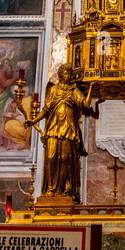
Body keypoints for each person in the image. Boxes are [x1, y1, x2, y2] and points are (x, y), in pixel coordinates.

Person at [31, 64, 96, 201]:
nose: (68, 75)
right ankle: (51, 190)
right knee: (51, 158)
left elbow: (85, 104)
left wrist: (90, 88)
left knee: (66, 159)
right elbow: (46, 110)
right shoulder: (54, 90)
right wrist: (33, 121)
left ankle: (64, 190)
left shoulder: (74, 90)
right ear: (61, 75)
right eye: (65, 73)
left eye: (69, 73)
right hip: (54, 128)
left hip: (69, 129)